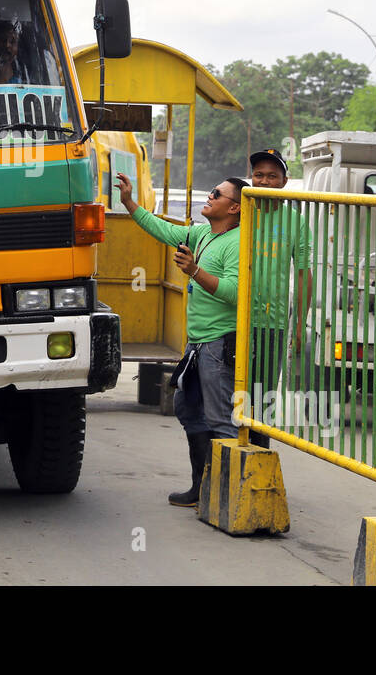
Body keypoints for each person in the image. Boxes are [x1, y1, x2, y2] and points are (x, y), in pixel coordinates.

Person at [117, 172, 245, 507]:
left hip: (219, 343)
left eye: (217, 193)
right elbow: (165, 230)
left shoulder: (239, 243)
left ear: (234, 208)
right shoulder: (202, 233)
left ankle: (228, 500)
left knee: (220, 419)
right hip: (198, 343)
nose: (210, 195)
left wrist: (193, 272)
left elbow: (234, 293)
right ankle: (201, 488)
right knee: (188, 407)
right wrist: (131, 205)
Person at [247, 148, 313, 445]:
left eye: (272, 176)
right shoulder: (239, 212)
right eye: (259, 175)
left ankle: (257, 462)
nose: (264, 181)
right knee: (226, 396)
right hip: (232, 319)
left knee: (262, 399)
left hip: (271, 324)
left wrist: (299, 324)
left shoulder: (295, 221)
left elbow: (303, 274)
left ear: (284, 181)